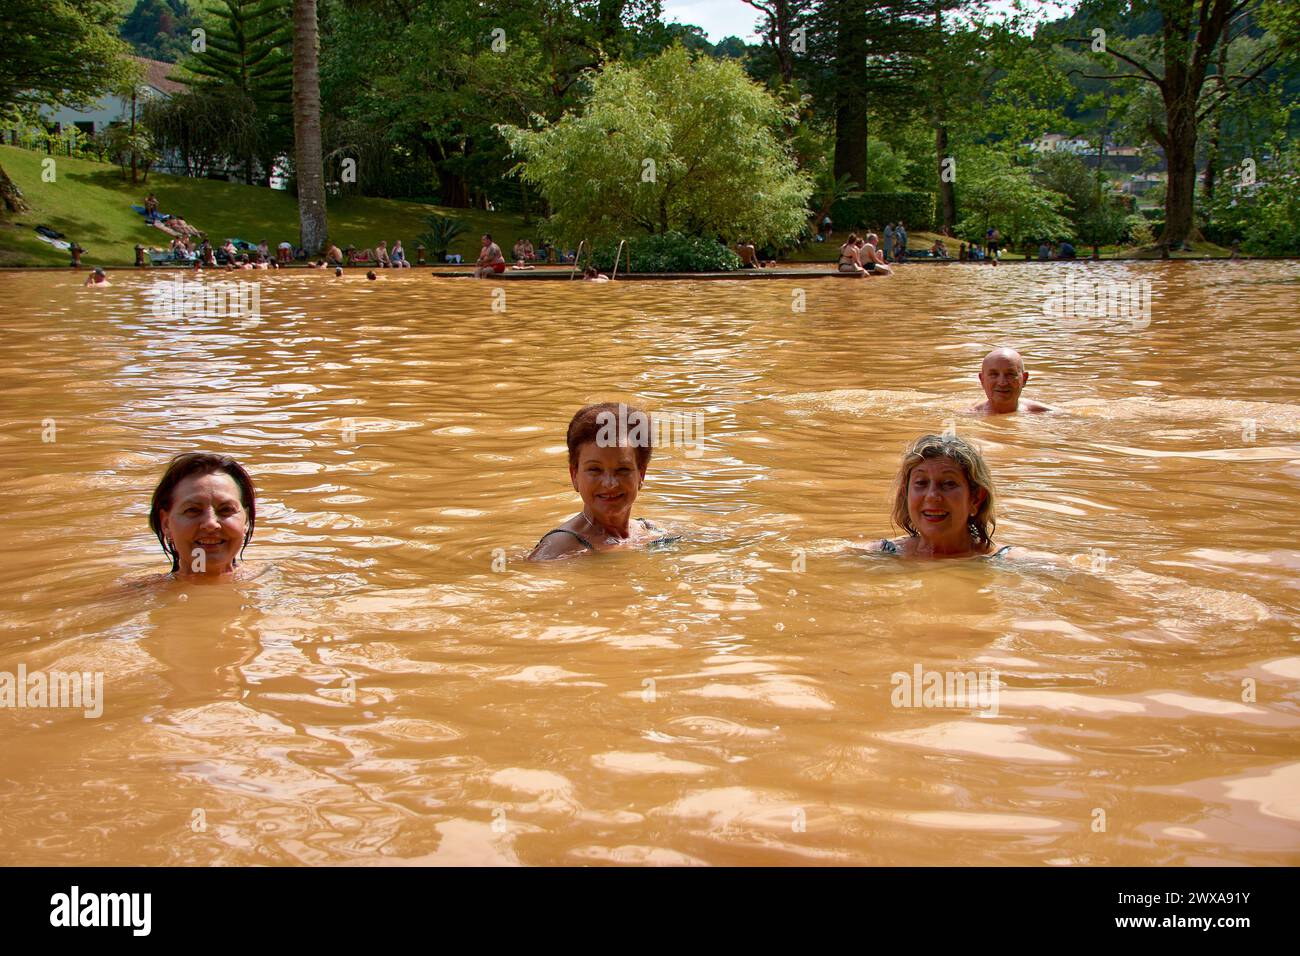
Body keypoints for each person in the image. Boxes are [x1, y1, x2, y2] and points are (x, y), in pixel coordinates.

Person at [528, 403, 668, 560]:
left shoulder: (651, 531)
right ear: (574, 476)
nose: (610, 484)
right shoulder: (559, 547)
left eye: (623, 470)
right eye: (595, 470)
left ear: (641, 475)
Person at [861, 434, 1011, 560]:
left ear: (976, 499)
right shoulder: (879, 554)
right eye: (921, 483)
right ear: (905, 495)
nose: (932, 496)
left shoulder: (1003, 561)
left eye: (948, 484)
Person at [148, 452, 257, 580]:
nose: (211, 524)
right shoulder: (136, 595)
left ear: (246, 522)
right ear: (166, 523)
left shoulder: (275, 581)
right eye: (193, 510)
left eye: (226, 510)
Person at [970, 347, 1054, 415]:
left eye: (1010, 374)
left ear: (1024, 379)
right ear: (982, 380)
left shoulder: (1048, 413)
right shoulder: (969, 416)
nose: (1002, 382)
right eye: (994, 374)